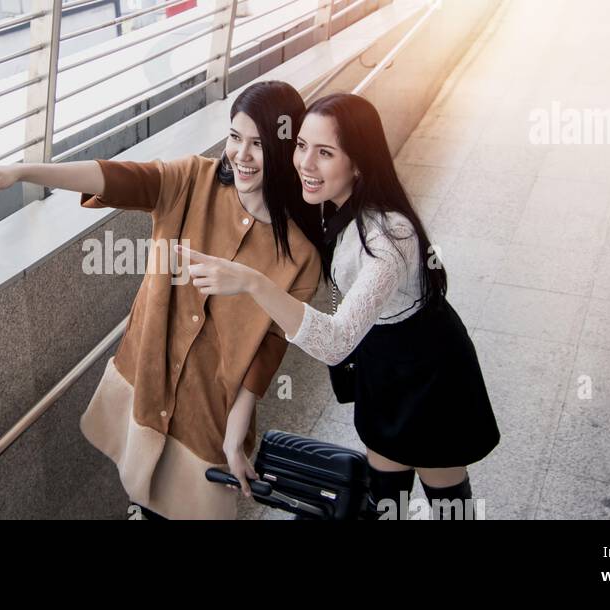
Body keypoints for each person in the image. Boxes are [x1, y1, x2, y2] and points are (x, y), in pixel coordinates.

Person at [0, 81, 323, 520]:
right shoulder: (192, 180)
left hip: (208, 419)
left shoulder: (301, 254)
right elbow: (116, 177)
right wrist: (23, 172)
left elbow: (268, 351)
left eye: (258, 144)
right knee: (143, 501)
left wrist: (233, 434)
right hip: (147, 390)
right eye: (235, 137)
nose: (240, 155)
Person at [180, 93, 500, 520]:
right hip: (381, 361)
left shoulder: (390, 237)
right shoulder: (329, 204)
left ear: (359, 162)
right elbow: (247, 179)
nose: (305, 164)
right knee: (386, 490)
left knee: (446, 502)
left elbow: (336, 343)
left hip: (429, 373)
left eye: (325, 152)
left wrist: (251, 282)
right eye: (301, 146)